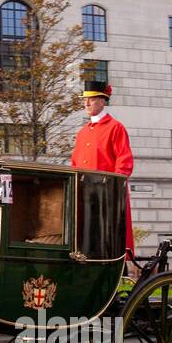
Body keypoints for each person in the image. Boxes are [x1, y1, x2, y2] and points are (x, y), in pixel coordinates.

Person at [70, 80, 135, 257]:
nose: (86, 104)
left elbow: (124, 162)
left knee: (108, 240)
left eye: (90, 99)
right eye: (84, 100)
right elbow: (75, 163)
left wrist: (111, 188)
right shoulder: (82, 133)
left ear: (102, 101)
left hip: (106, 195)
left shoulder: (116, 128)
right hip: (84, 195)